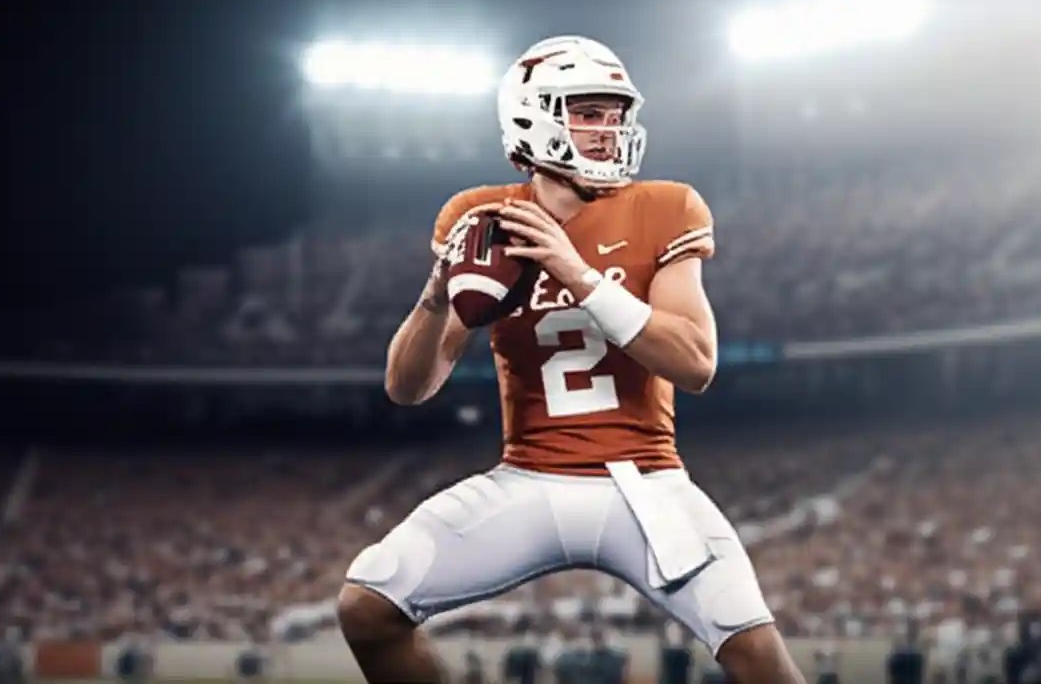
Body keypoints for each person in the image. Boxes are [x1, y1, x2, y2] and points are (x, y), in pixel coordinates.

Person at [335, 35, 804, 684]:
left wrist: (577, 274)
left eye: (614, 113)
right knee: (367, 605)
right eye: (587, 111)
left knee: (761, 660)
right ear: (533, 115)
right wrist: (434, 296)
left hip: (644, 483)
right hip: (528, 478)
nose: (608, 129)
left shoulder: (664, 207)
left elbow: (697, 362)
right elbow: (408, 388)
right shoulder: (481, 218)